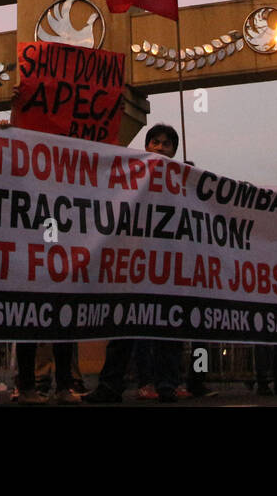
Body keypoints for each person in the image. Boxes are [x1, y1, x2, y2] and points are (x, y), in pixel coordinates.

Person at [85, 124, 187, 404]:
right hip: (133, 265)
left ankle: (166, 384)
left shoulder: (186, 179)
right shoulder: (129, 175)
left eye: (166, 143)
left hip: (168, 266)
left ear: (174, 150)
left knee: (168, 329)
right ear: (146, 146)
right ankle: (110, 385)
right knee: (122, 327)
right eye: (155, 142)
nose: (160, 147)